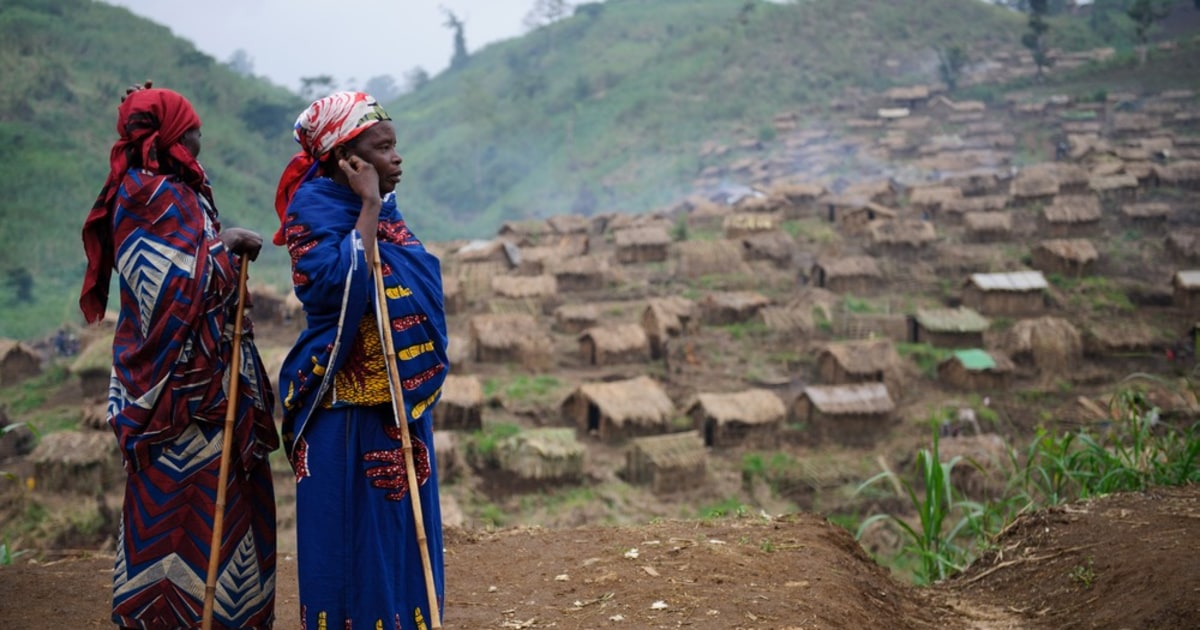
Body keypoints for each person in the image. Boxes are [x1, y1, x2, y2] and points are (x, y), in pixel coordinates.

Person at [80, 87, 279, 629]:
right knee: (175, 515)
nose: (200, 139)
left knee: (229, 516)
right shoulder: (146, 194)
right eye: (192, 129)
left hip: (212, 393)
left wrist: (219, 251)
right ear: (170, 135)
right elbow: (162, 289)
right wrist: (225, 246)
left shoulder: (179, 192)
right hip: (177, 399)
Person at [273, 91, 449, 629]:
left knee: (402, 535)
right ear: (346, 159)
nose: (396, 159)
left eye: (396, 146)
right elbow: (326, 289)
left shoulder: (390, 214)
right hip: (342, 406)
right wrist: (368, 206)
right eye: (383, 148)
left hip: (397, 405)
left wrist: (376, 208)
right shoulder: (315, 211)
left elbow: (417, 281)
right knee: (347, 537)